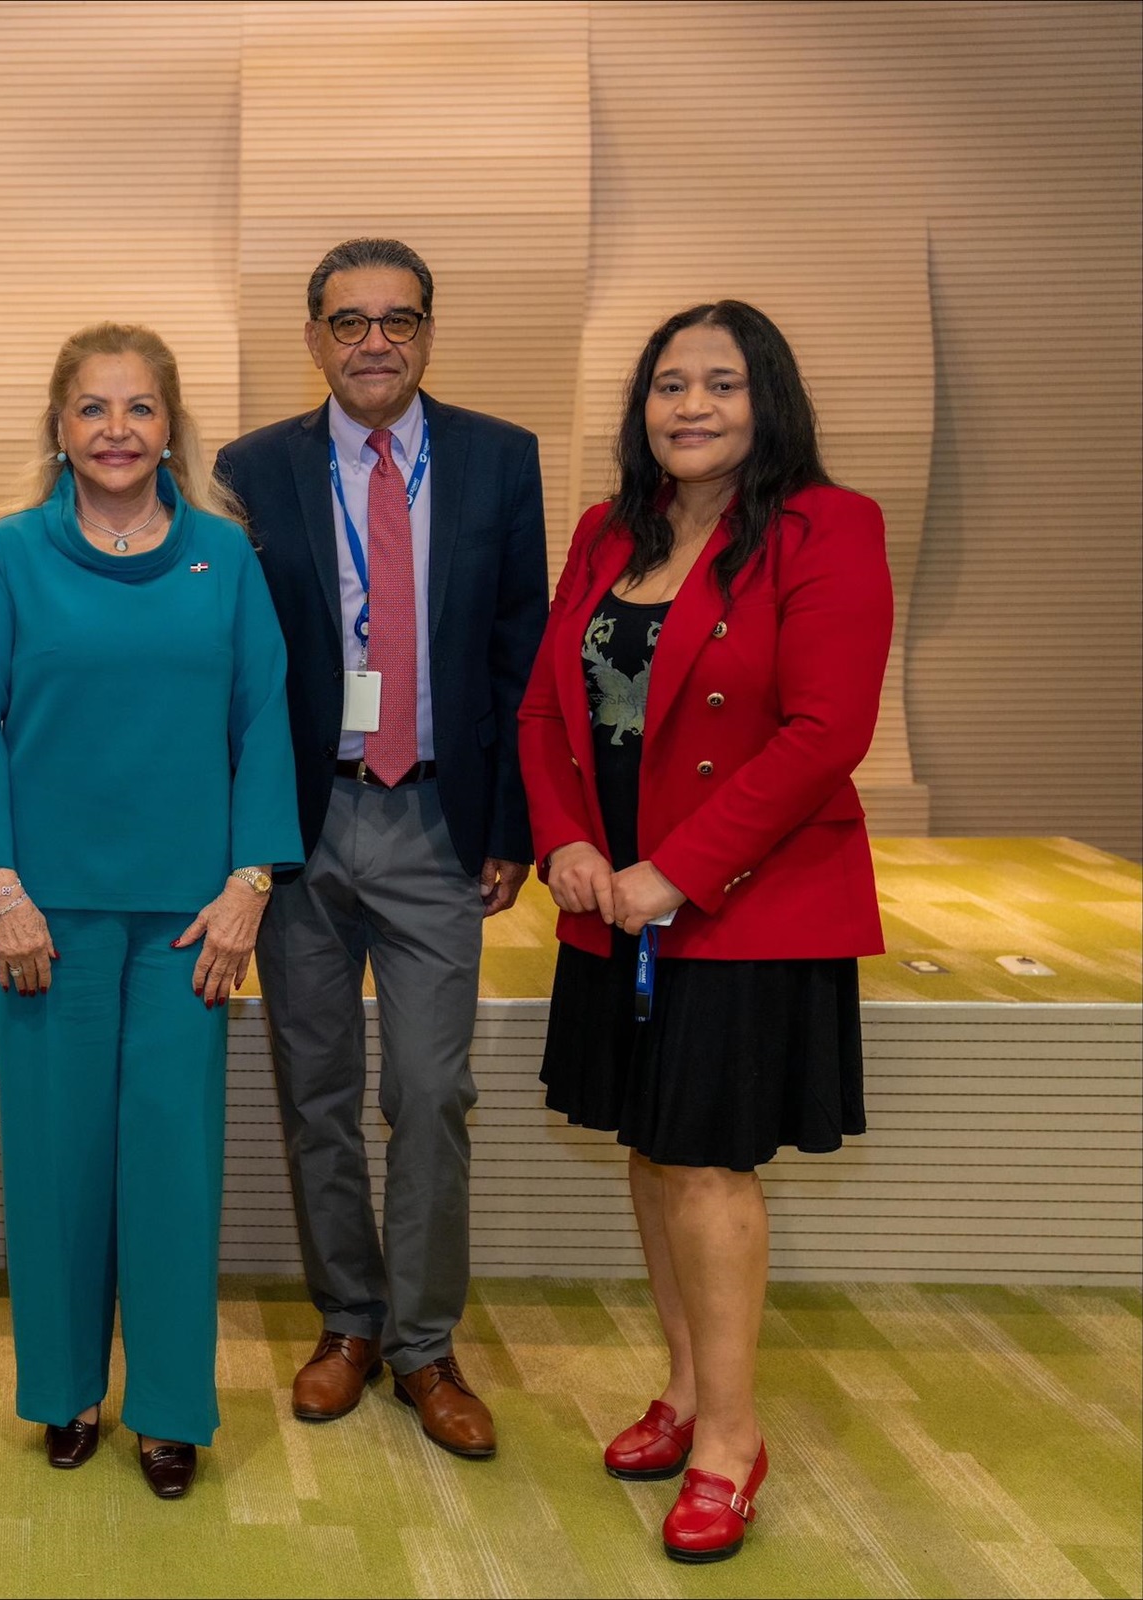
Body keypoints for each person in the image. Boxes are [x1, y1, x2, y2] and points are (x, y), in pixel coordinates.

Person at [519, 300, 888, 1563]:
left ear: (766, 398)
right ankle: (679, 1390)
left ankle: (731, 1437)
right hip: (607, 902)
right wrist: (567, 838)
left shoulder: (828, 529)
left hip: (743, 905)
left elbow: (825, 733)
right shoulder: (608, 532)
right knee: (651, 1143)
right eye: (669, 385)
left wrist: (676, 871)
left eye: (720, 384)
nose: (690, 407)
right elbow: (542, 709)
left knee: (711, 1162)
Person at [0, 322, 298, 1500]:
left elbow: (264, 728)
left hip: (191, 925)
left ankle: (168, 1408)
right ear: (58, 424)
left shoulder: (225, 557)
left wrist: (250, 885)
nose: (115, 431)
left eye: (138, 409)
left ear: (169, 425)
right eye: (92, 409)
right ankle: (63, 1392)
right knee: (53, 1164)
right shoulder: (10, 555)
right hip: (39, 918)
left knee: (171, 1169)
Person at [214, 237, 548, 1460]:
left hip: (437, 821)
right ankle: (348, 1323)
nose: (374, 341)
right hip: (299, 826)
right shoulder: (253, 468)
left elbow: (525, 651)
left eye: (398, 319)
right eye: (348, 321)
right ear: (314, 336)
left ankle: (426, 1344)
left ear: (427, 332)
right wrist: (237, 834)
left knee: (428, 1089)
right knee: (313, 1092)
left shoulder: (500, 459)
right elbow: (235, 667)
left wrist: (512, 822)